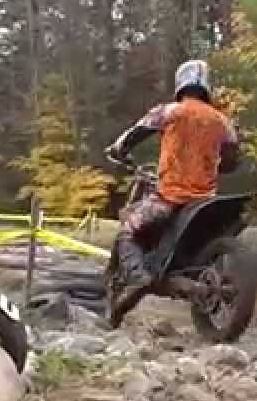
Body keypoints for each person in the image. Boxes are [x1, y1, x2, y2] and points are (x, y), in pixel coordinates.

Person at [103, 60, 241, 326]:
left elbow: (133, 135)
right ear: (206, 87)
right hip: (205, 203)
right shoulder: (223, 122)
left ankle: (137, 277)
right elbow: (232, 162)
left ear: (181, 83)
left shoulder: (169, 112)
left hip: (170, 198)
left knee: (128, 230)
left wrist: (118, 150)